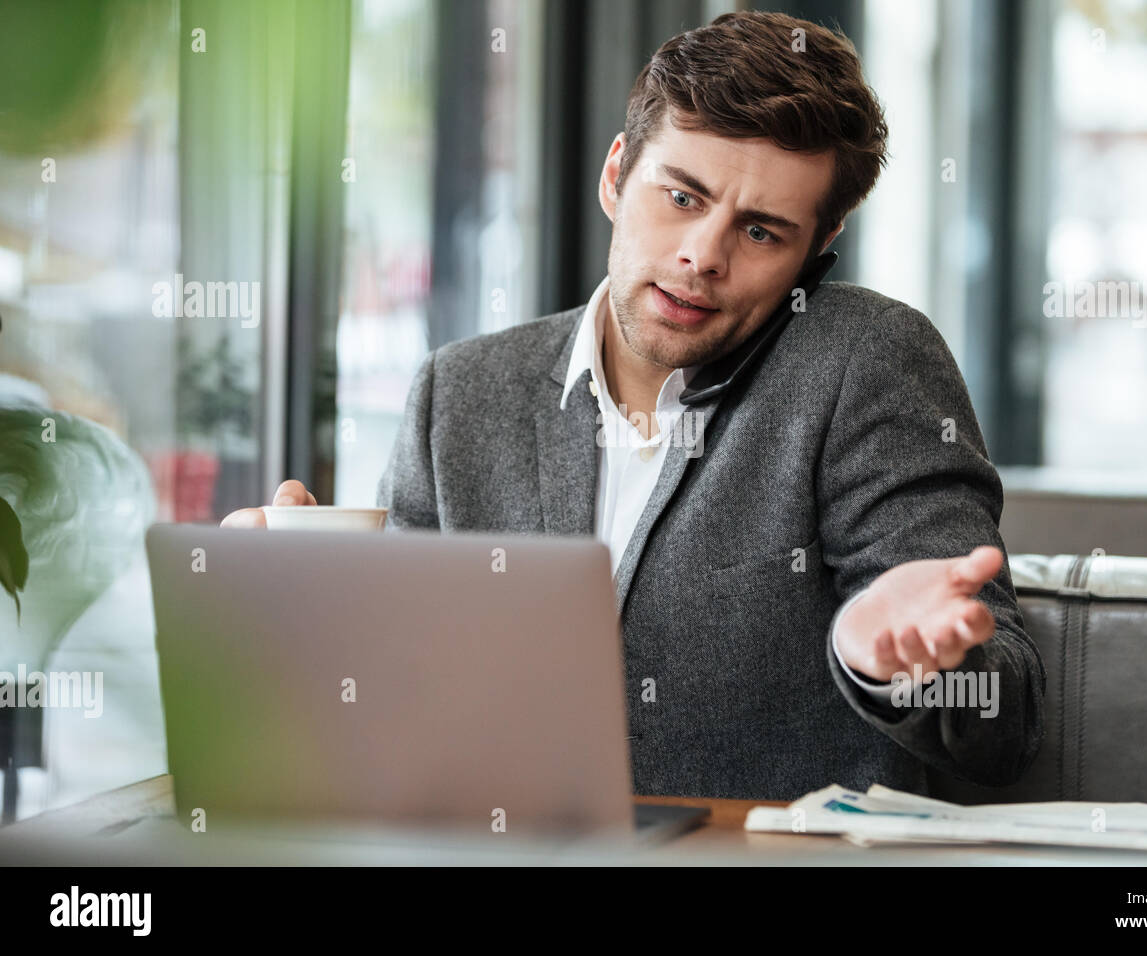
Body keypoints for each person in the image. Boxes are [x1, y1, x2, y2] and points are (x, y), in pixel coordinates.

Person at [224, 11, 1044, 800]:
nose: (702, 257)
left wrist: (887, 662)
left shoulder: (866, 363)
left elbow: (1006, 723)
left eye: (760, 232)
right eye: (682, 197)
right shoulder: (460, 395)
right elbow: (391, 704)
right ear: (617, 175)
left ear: (815, 250)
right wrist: (301, 623)